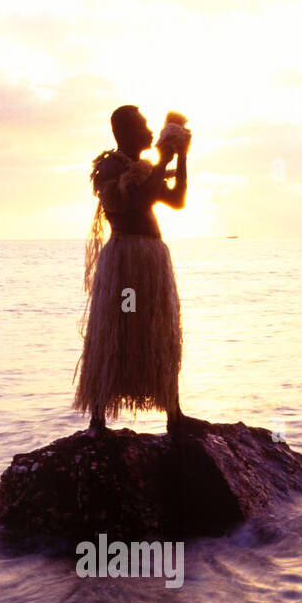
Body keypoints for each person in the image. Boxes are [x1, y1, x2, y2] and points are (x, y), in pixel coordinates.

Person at [73, 105, 190, 435]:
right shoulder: (109, 167)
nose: (150, 132)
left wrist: (181, 156)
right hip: (126, 263)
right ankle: (98, 418)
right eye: (143, 126)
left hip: (151, 260)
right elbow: (130, 204)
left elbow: (178, 200)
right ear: (123, 132)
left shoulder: (143, 167)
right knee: (118, 327)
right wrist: (164, 159)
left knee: (159, 330)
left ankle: (174, 414)